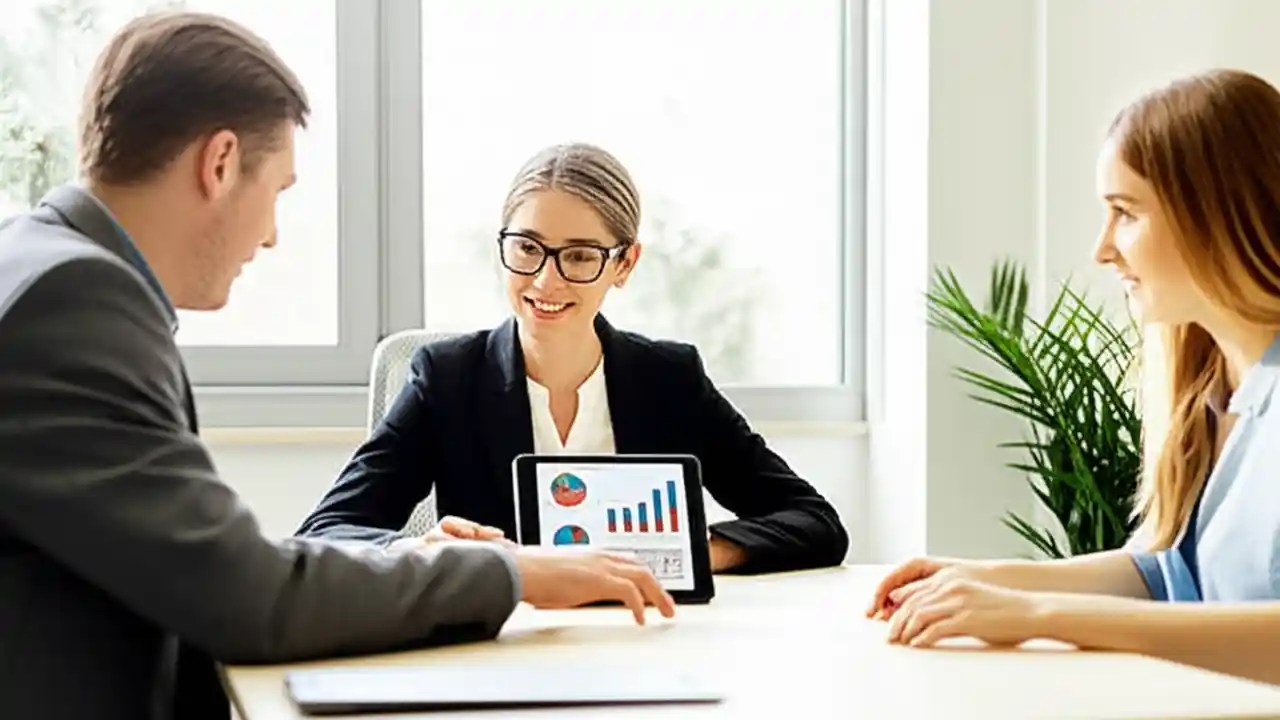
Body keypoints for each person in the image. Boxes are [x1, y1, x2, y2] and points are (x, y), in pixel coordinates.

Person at [0, 13, 672, 720]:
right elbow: (247, 595)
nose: (270, 236)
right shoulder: (75, 302)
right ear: (220, 163)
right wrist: (513, 571)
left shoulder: (40, 264)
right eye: (279, 192)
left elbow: (217, 566)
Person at [865, 69, 1280, 685]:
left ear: (1215, 213)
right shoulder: (1213, 391)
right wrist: (985, 579)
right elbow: (1169, 575)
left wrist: (1039, 613)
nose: (1103, 249)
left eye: (1125, 213)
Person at [297, 142, 849, 574]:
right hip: (504, 641)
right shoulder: (448, 378)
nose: (545, 279)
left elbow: (814, 521)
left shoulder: (669, 379)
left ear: (625, 264)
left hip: (648, 638)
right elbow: (327, 532)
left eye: (580, 256)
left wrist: (694, 553)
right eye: (527, 248)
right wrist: (424, 552)